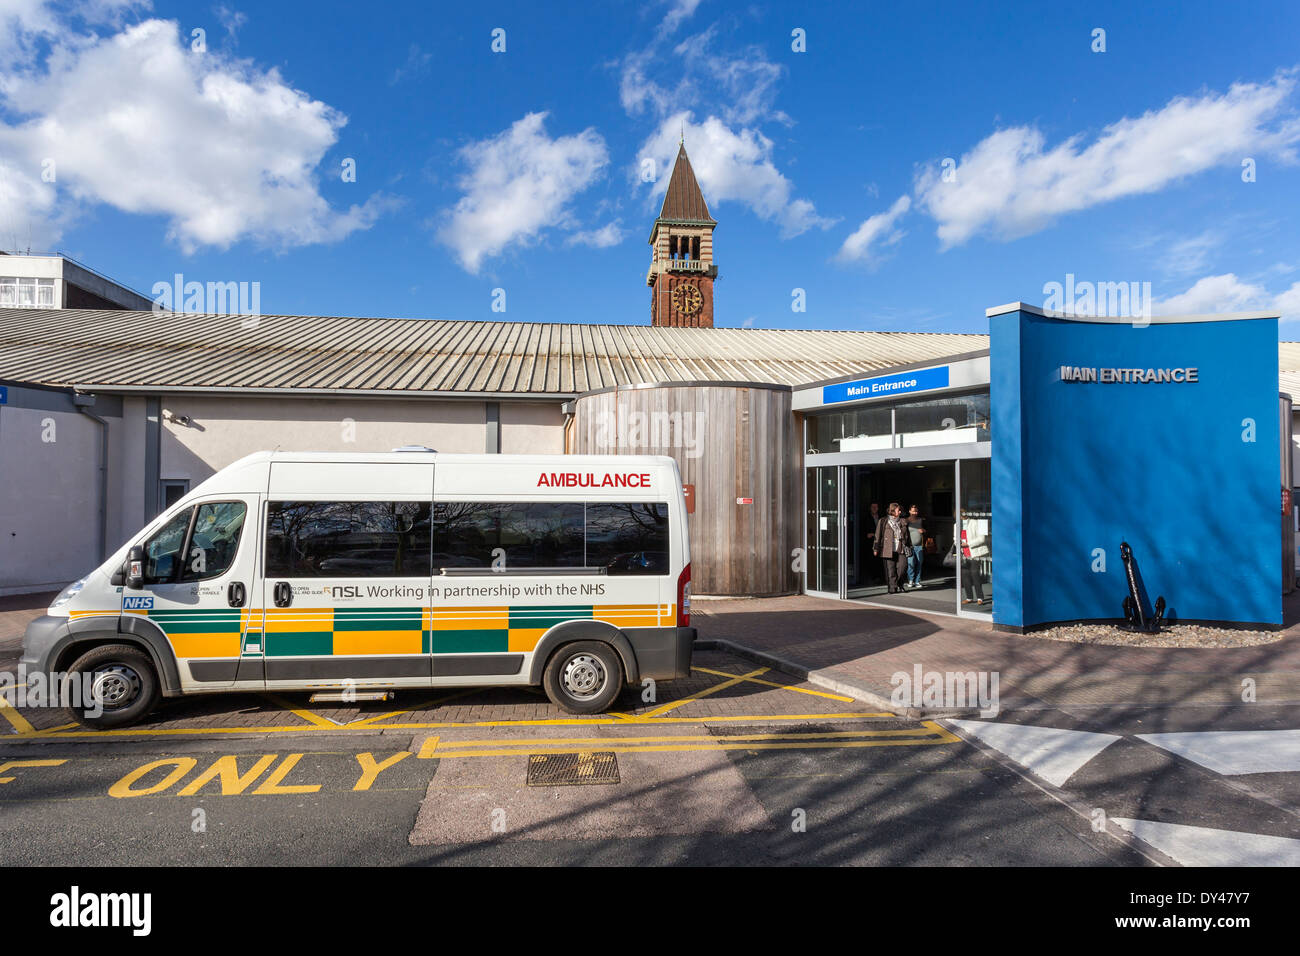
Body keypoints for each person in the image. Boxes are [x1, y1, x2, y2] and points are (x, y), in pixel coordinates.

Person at [873, 502, 909, 594]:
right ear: (892, 511)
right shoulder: (883, 521)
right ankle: (893, 588)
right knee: (890, 570)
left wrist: (909, 546)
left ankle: (900, 584)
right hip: (887, 549)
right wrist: (876, 548)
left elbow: (907, 536)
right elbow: (878, 535)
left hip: (901, 548)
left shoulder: (903, 521)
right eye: (898, 510)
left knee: (902, 568)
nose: (900, 512)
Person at [960, 511, 991, 605]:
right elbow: (955, 538)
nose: (960, 517)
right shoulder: (957, 525)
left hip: (976, 553)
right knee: (965, 576)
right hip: (964, 553)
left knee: (975, 574)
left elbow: (982, 539)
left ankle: (980, 598)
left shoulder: (976, 522)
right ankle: (969, 597)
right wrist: (958, 543)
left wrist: (968, 544)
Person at [905, 504, 925, 589]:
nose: (914, 513)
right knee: (911, 563)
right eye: (913, 511)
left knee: (919, 563)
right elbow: (903, 533)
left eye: (916, 511)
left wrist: (923, 530)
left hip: (919, 546)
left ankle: (917, 581)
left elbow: (928, 530)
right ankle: (910, 580)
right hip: (910, 546)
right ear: (909, 511)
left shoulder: (921, 520)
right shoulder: (906, 521)